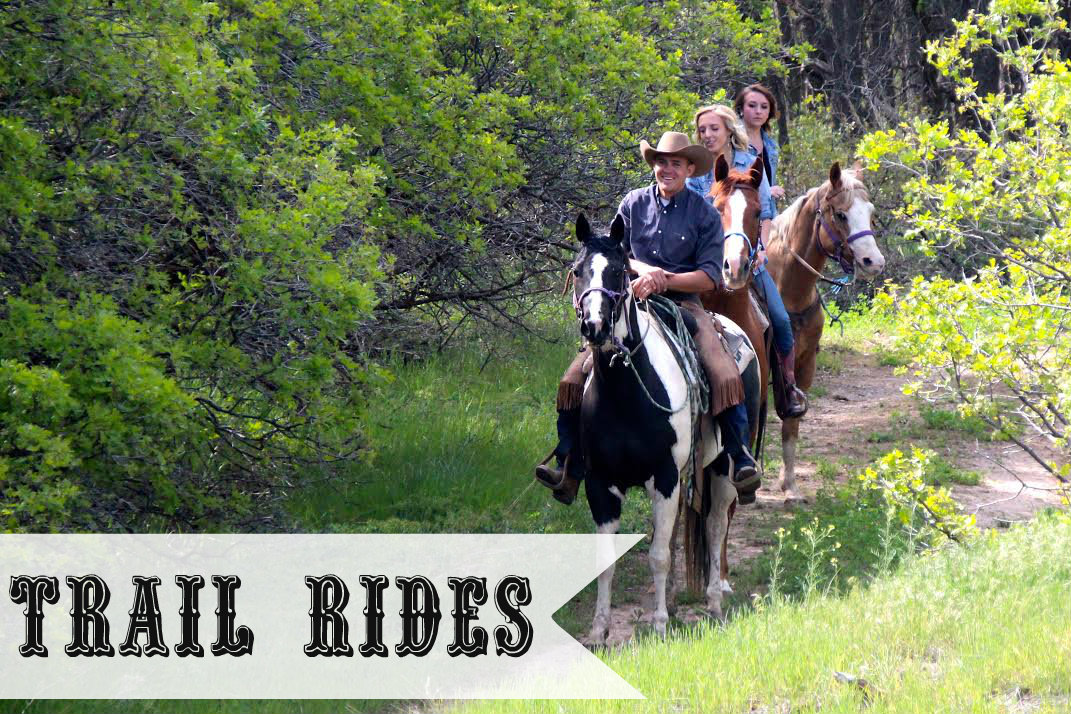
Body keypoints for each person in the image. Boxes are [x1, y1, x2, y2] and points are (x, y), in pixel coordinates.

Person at [535, 132, 759, 505]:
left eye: (676, 163)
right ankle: (569, 461)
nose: (667, 169)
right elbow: (613, 250)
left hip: (686, 304)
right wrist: (646, 272)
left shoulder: (703, 213)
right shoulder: (633, 202)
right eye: (661, 162)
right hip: (632, 300)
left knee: (722, 369)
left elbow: (708, 276)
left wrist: (666, 279)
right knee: (575, 375)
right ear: (653, 165)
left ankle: (738, 455)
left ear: (690, 168)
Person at [687, 104, 807, 419]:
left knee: (780, 320)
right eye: (703, 130)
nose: (708, 135)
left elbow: (765, 212)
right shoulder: (693, 168)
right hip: (703, 259)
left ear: (729, 129)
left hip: (748, 256)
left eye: (714, 128)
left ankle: (786, 388)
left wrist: (762, 250)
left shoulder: (751, 161)